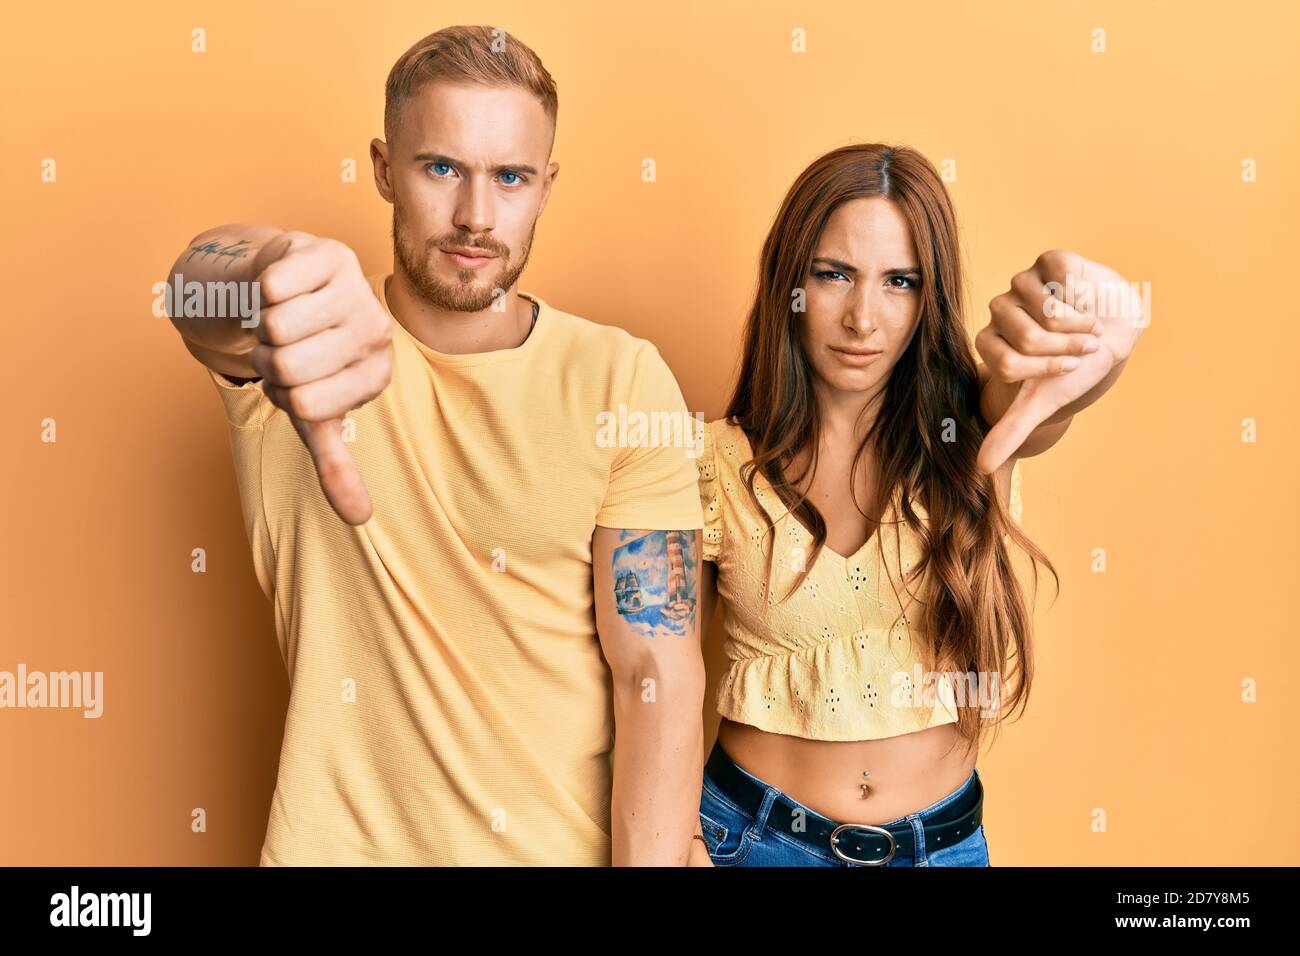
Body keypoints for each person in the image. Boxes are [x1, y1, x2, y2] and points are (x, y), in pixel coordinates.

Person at [165, 25, 706, 866]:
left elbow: (656, 678)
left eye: (511, 177)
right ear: (384, 169)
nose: (475, 217)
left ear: (546, 186)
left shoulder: (622, 380)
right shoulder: (300, 347)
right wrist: (275, 268)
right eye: (441, 168)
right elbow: (193, 287)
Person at [687, 143, 1146, 866]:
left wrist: (1100, 331)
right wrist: (673, 841)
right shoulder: (713, 462)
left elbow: (1044, 400)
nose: (863, 318)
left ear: (928, 298)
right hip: (750, 841)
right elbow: (658, 675)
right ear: (790, 284)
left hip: (943, 848)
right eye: (833, 274)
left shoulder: (971, 435)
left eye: (899, 281)